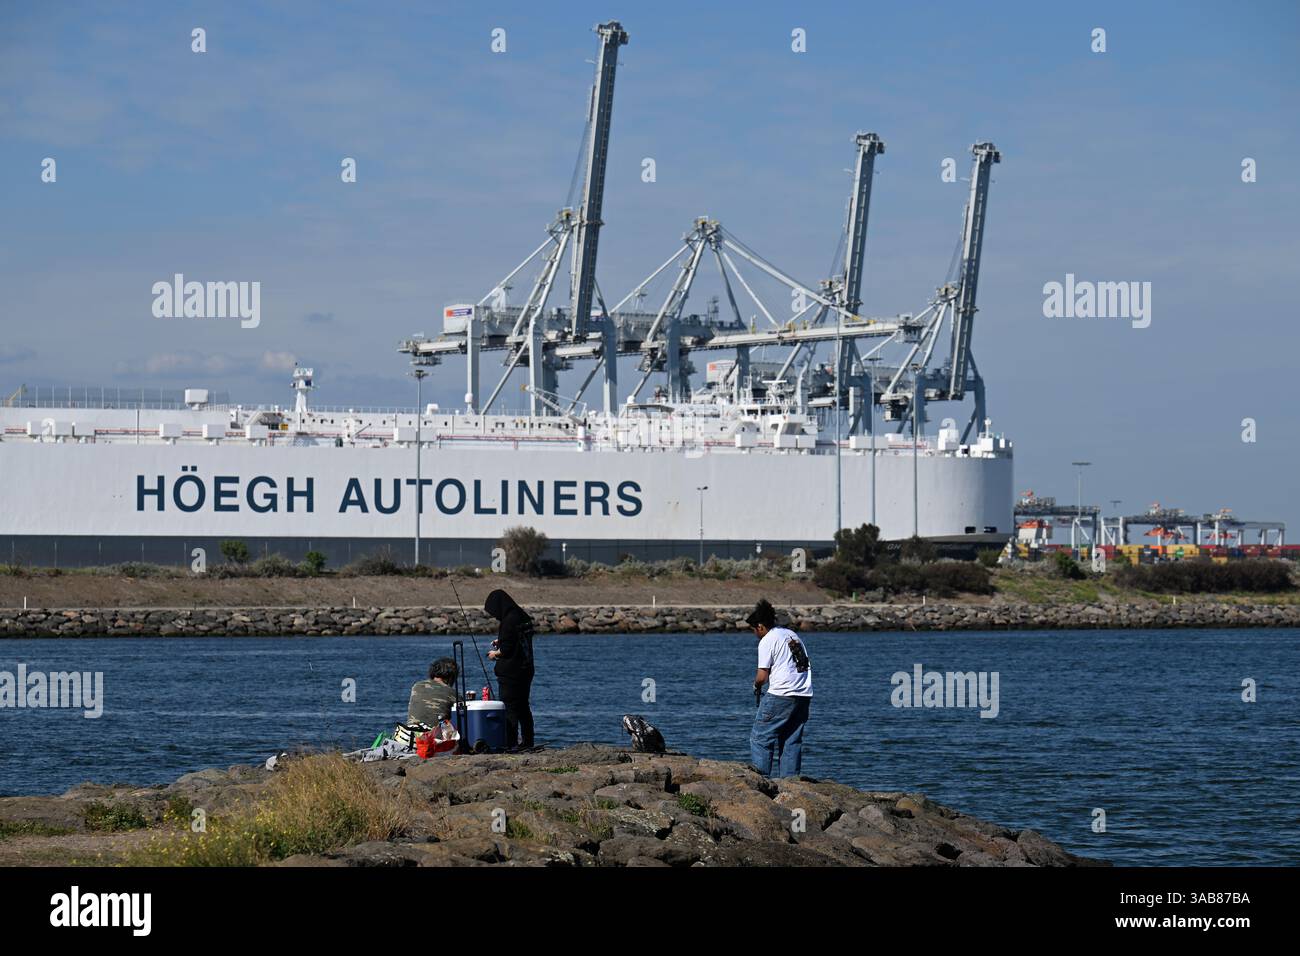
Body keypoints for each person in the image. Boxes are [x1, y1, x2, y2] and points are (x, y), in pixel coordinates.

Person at [747, 598, 812, 778]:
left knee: (760, 739)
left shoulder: (768, 639)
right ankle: (791, 784)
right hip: (803, 694)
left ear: (760, 626)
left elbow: (762, 676)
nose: (754, 634)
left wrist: (756, 686)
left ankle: (761, 783)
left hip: (781, 695)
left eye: (753, 630)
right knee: (791, 740)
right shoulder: (791, 635)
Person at [484, 589, 535, 750]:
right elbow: (517, 640)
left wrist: (494, 654)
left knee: (510, 708)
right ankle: (528, 741)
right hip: (526, 669)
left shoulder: (508, 621)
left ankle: (511, 743)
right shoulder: (522, 616)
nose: (495, 615)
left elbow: (506, 650)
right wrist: (502, 640)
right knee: (523, 707)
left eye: (494, 612)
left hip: (511, 673)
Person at [407, 657, 461, 728]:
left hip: (410, 733)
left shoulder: (417, 686)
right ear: (451, 676)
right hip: (433, 736)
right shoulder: (452, 693)